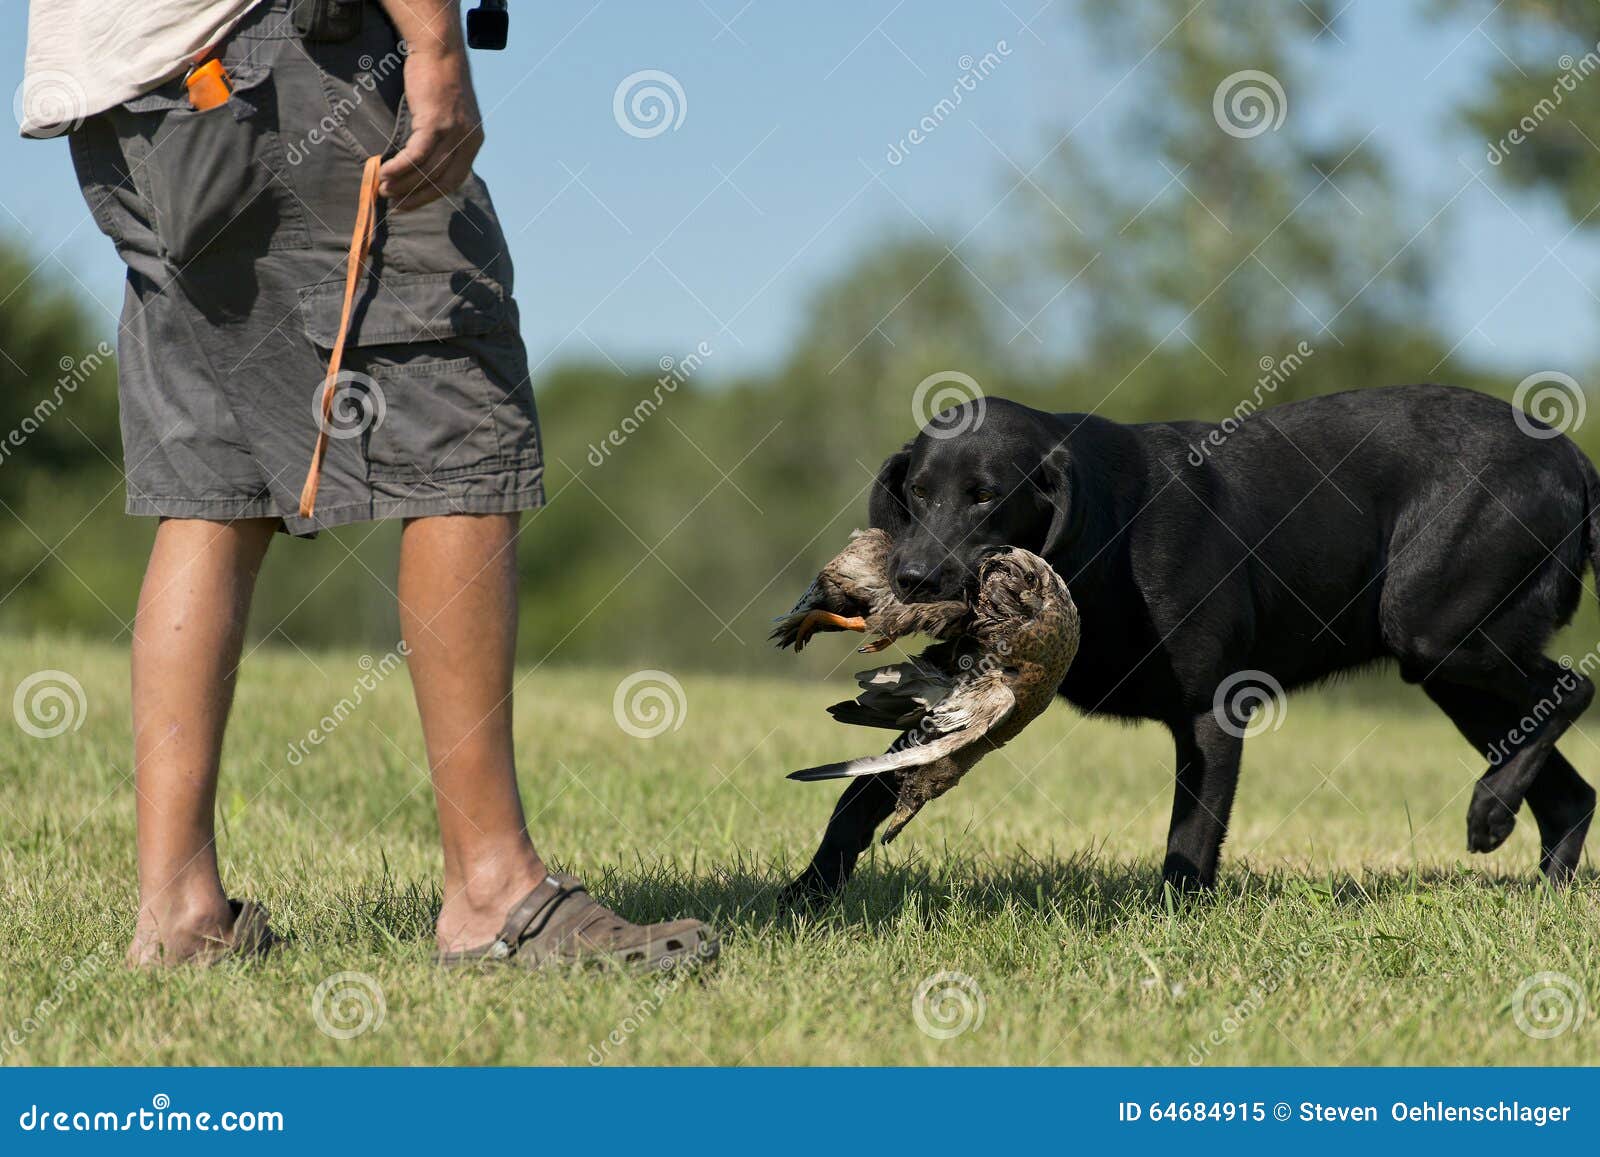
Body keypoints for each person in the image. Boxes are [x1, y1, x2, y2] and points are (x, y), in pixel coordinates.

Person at [20, 0, 718, 969]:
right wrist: (432, 38)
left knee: (217, 479)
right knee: (458, 415)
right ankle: (492, 894)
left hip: (126, 86)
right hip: (283, 58)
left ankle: (178, 912)